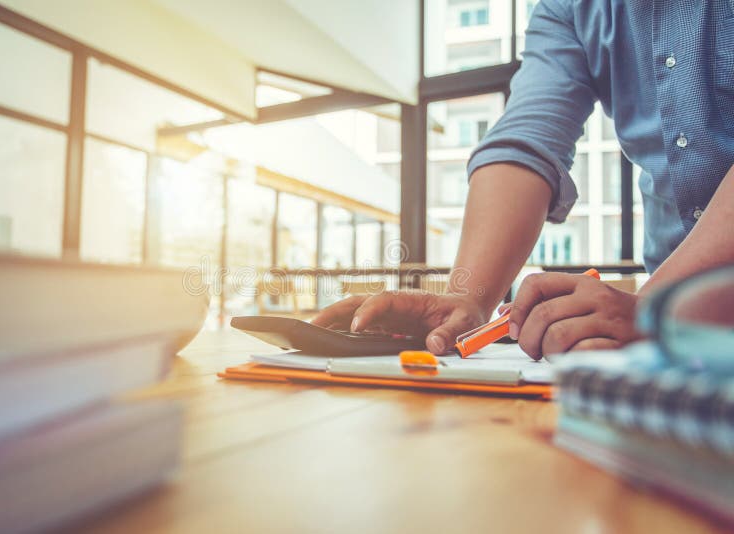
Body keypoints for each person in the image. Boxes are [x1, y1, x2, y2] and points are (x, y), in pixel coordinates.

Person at [313, 0, 734, 359]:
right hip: (666, 346)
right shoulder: (568, 8)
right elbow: (528, 141)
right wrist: (467, 299)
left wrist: (656, 307)